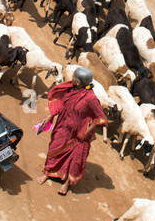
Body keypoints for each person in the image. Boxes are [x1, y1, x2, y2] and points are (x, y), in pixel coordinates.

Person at [37, 66, 107, 195]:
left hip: (79, 134)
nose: (71, 78)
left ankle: (66, 183)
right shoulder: (70, 88)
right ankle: (48, 172)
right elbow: (61, 105)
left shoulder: (91, 98)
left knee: (74, 160)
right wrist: (49, 116)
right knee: (54, 149)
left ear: (79, 82)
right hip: (63, 126)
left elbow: (101, 118)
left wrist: (86, 132)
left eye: (74, 77)